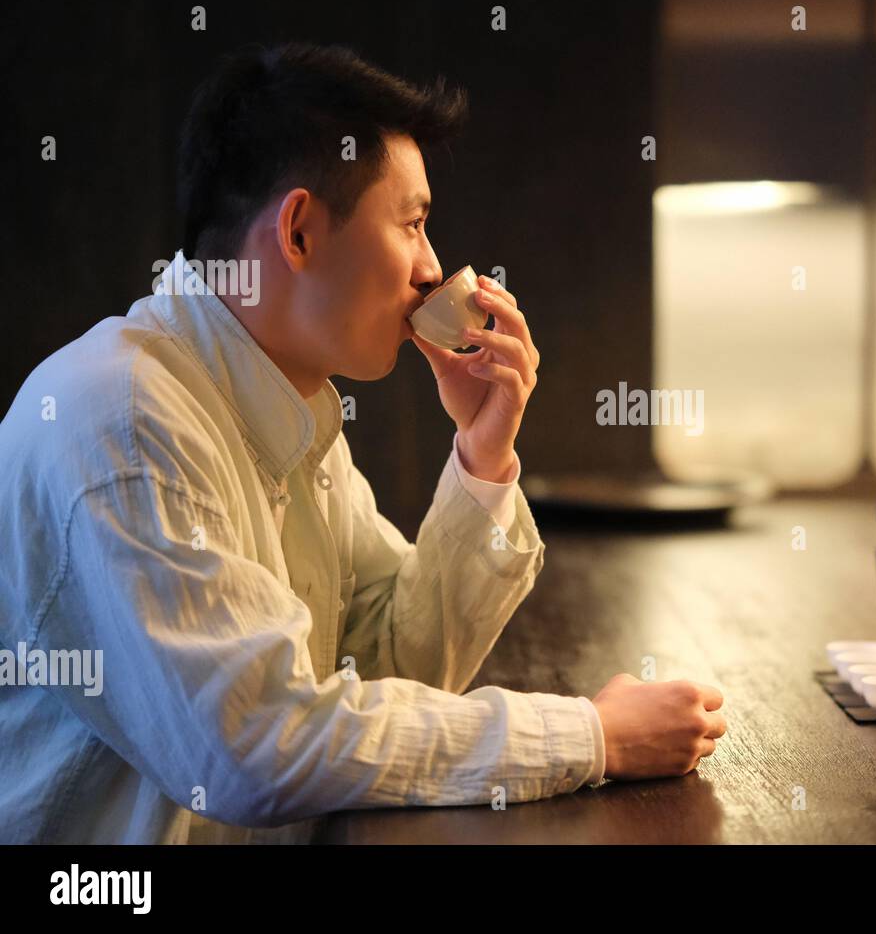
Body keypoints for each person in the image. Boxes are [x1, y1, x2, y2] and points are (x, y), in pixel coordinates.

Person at [0, 42, 726, 843]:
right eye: (412, 224)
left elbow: (390, 670)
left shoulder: (292, 404)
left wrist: (482, 458)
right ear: (300, 232)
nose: (434, 268)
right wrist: (593, 737)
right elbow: (256, 745)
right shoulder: (123, 422)